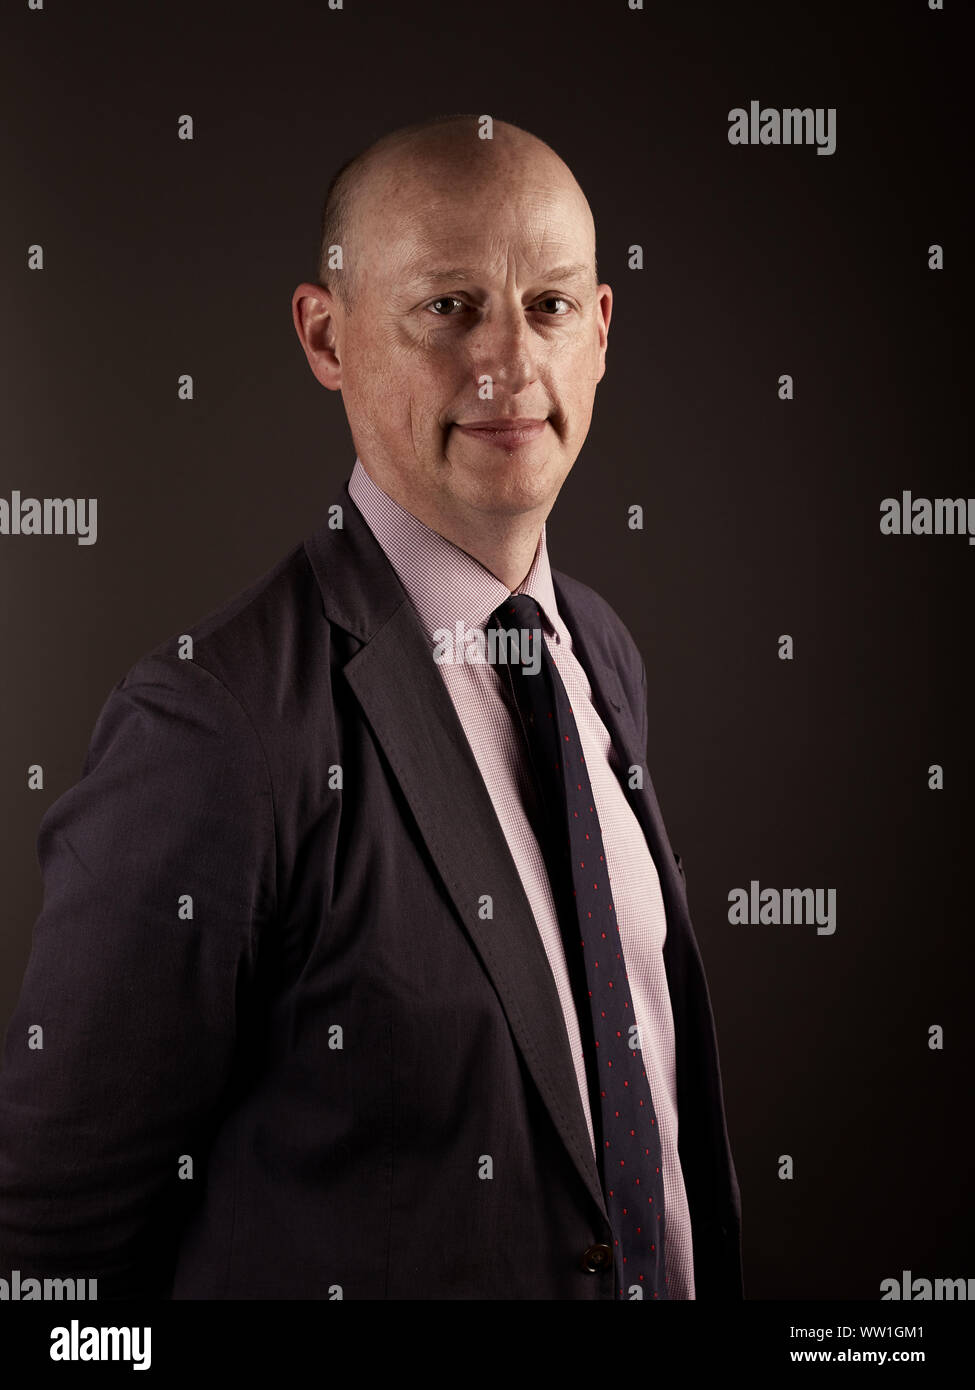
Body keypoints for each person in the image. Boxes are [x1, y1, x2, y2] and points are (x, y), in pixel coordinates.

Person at [0, 114, 742, 1300]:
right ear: (325, 335)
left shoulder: (597, 654)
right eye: (448, 308)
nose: (509, 363)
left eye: (548, 305)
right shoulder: (215, 730)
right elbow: (47, 1260)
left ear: (600, 333)